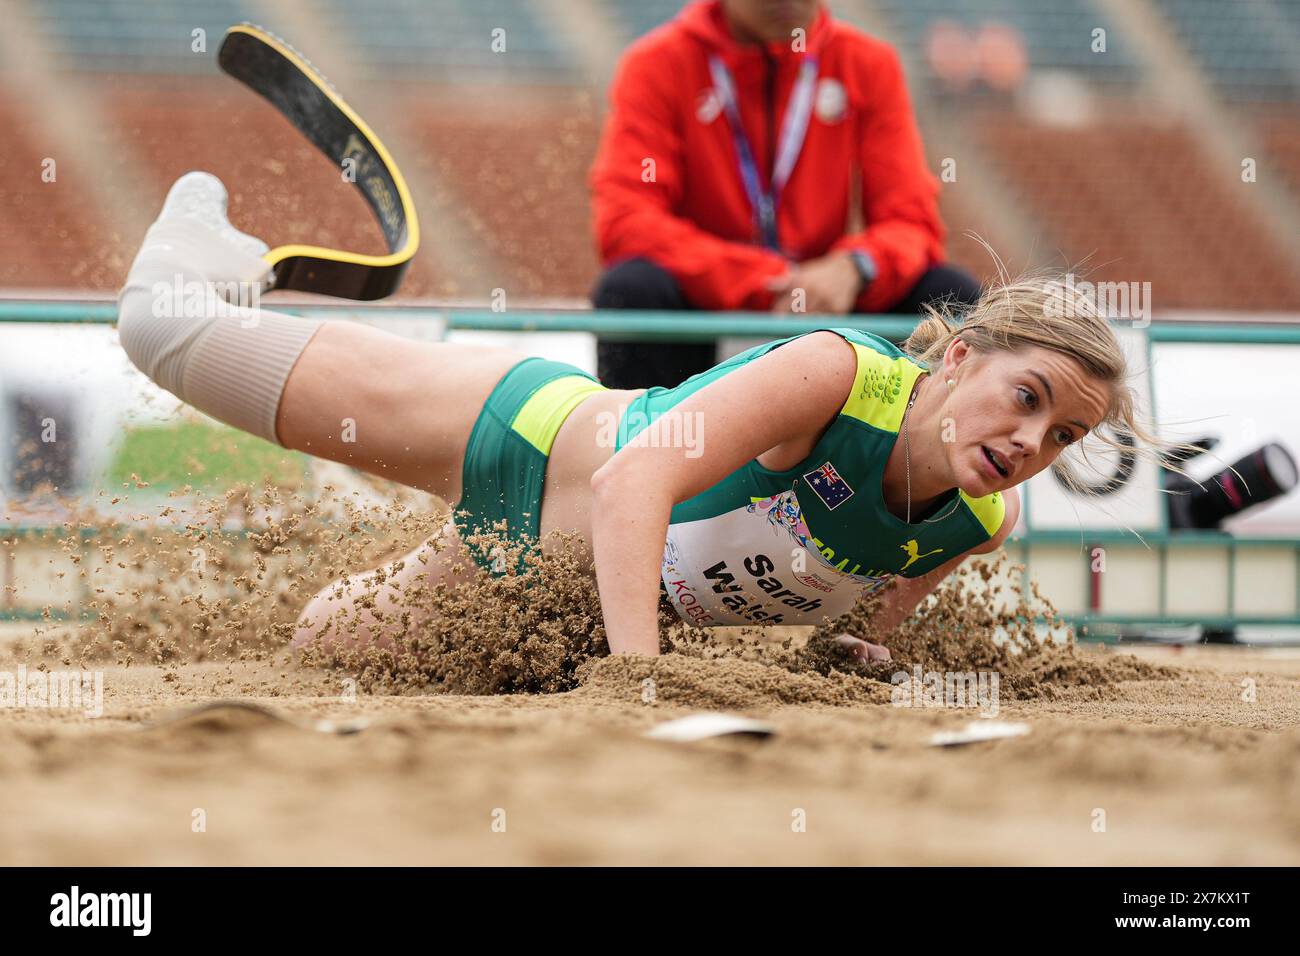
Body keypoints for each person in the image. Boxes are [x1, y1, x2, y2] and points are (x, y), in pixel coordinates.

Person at [118, 172, 1151, 663]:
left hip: (529, 586)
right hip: (521, 436)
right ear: (960, 356)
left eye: (1063, 437)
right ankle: (211, 252)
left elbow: (846, 643)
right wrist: (633, 679)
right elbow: (633, 481)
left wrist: (862, 661)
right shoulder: (838, 371)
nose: (1031, 444)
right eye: (1028, 399)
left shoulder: (973, 524)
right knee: (157, 329)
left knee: (316, 648)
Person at [589, 0, 981, 389]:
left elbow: (912, 220)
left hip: (828, 288)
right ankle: (647, 442)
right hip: (709, 287)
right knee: (631, 288)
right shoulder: (658, 63)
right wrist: (764, 279)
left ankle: (911, 445)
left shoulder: (867, 63)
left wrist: (856, 267)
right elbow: (627, 219)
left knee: (950, 293)